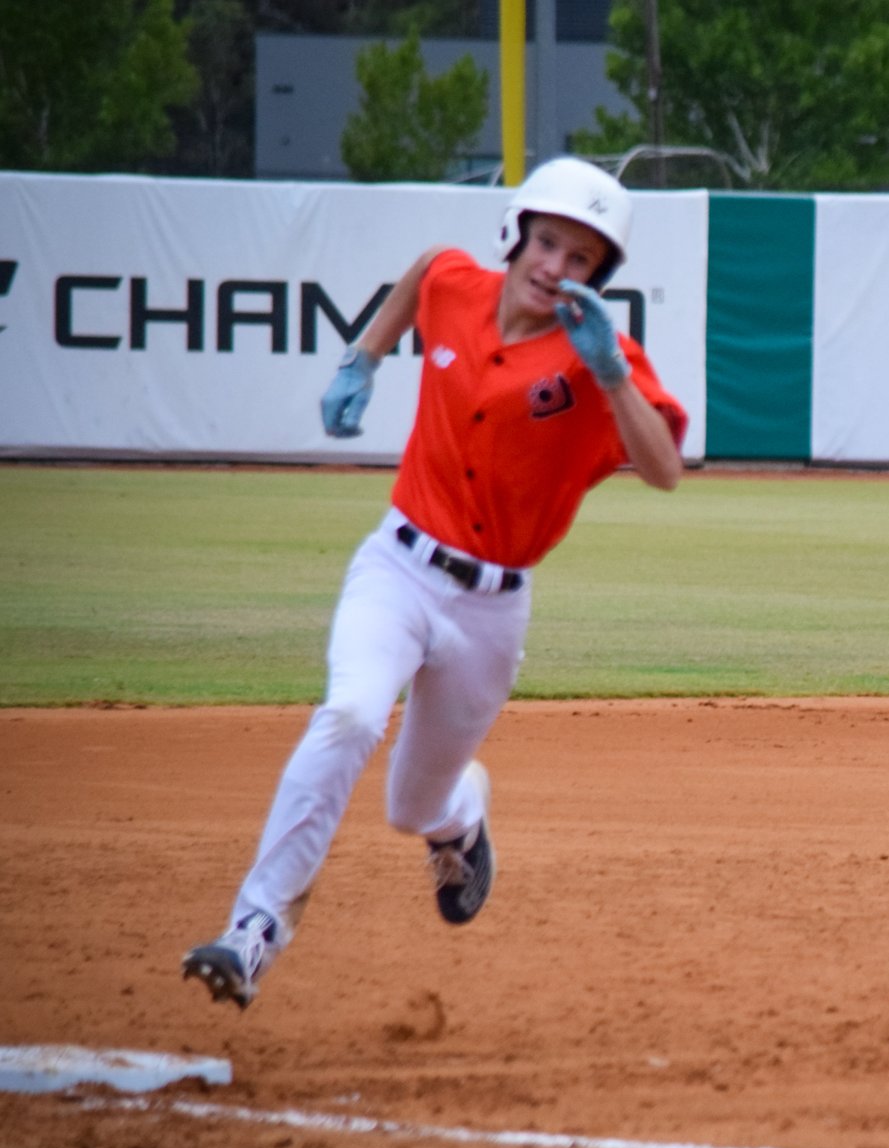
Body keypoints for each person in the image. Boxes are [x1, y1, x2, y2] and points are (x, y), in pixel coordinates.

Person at [183, 157, 687, 1010]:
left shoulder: (601, 357)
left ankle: (458, 821)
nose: (556, 266)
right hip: (397, 568)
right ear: (517, 233)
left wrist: (609, 373)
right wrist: (363, 357)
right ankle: (254, 929)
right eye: (548, 241)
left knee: (411, 807)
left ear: (599, 277)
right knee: (350, 715)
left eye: (581, 258)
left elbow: (665, 468)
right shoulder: (460, 285)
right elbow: (425, 272)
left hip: (492, 610)